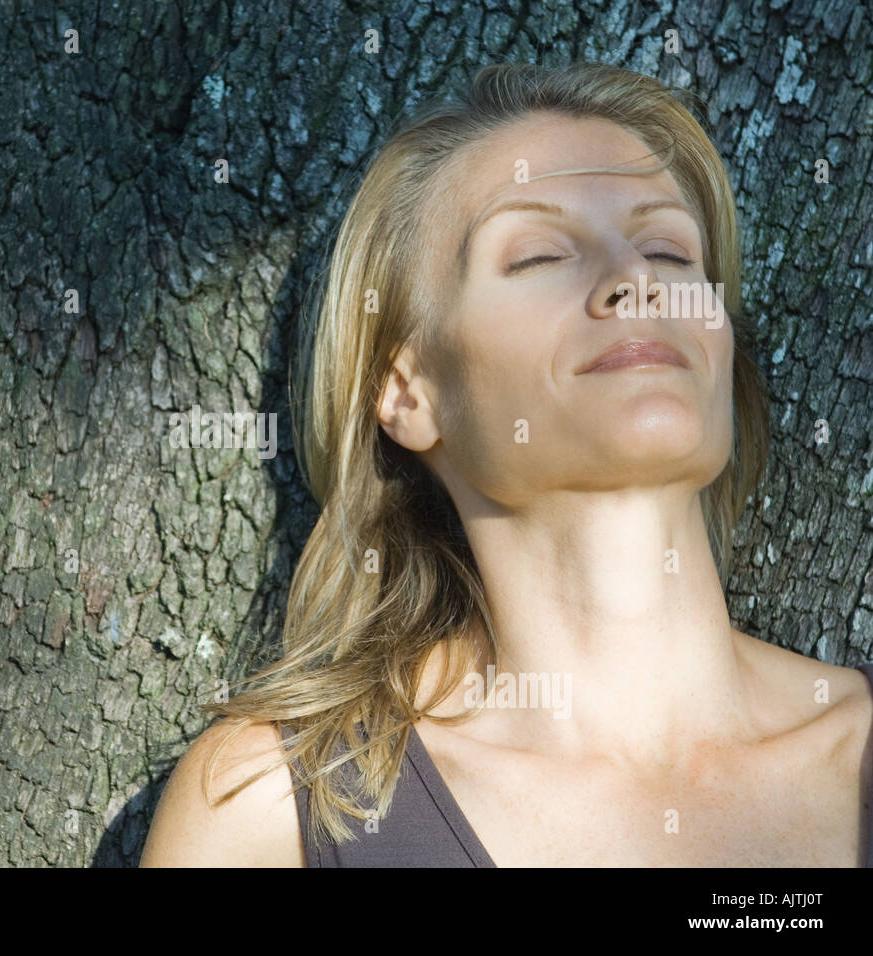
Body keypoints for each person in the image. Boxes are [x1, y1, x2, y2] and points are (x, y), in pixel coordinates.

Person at [140, 62, 873, 867]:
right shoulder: (272, 808)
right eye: (537, 257)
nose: (634, 280)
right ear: (407, 390)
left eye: (668, 250)